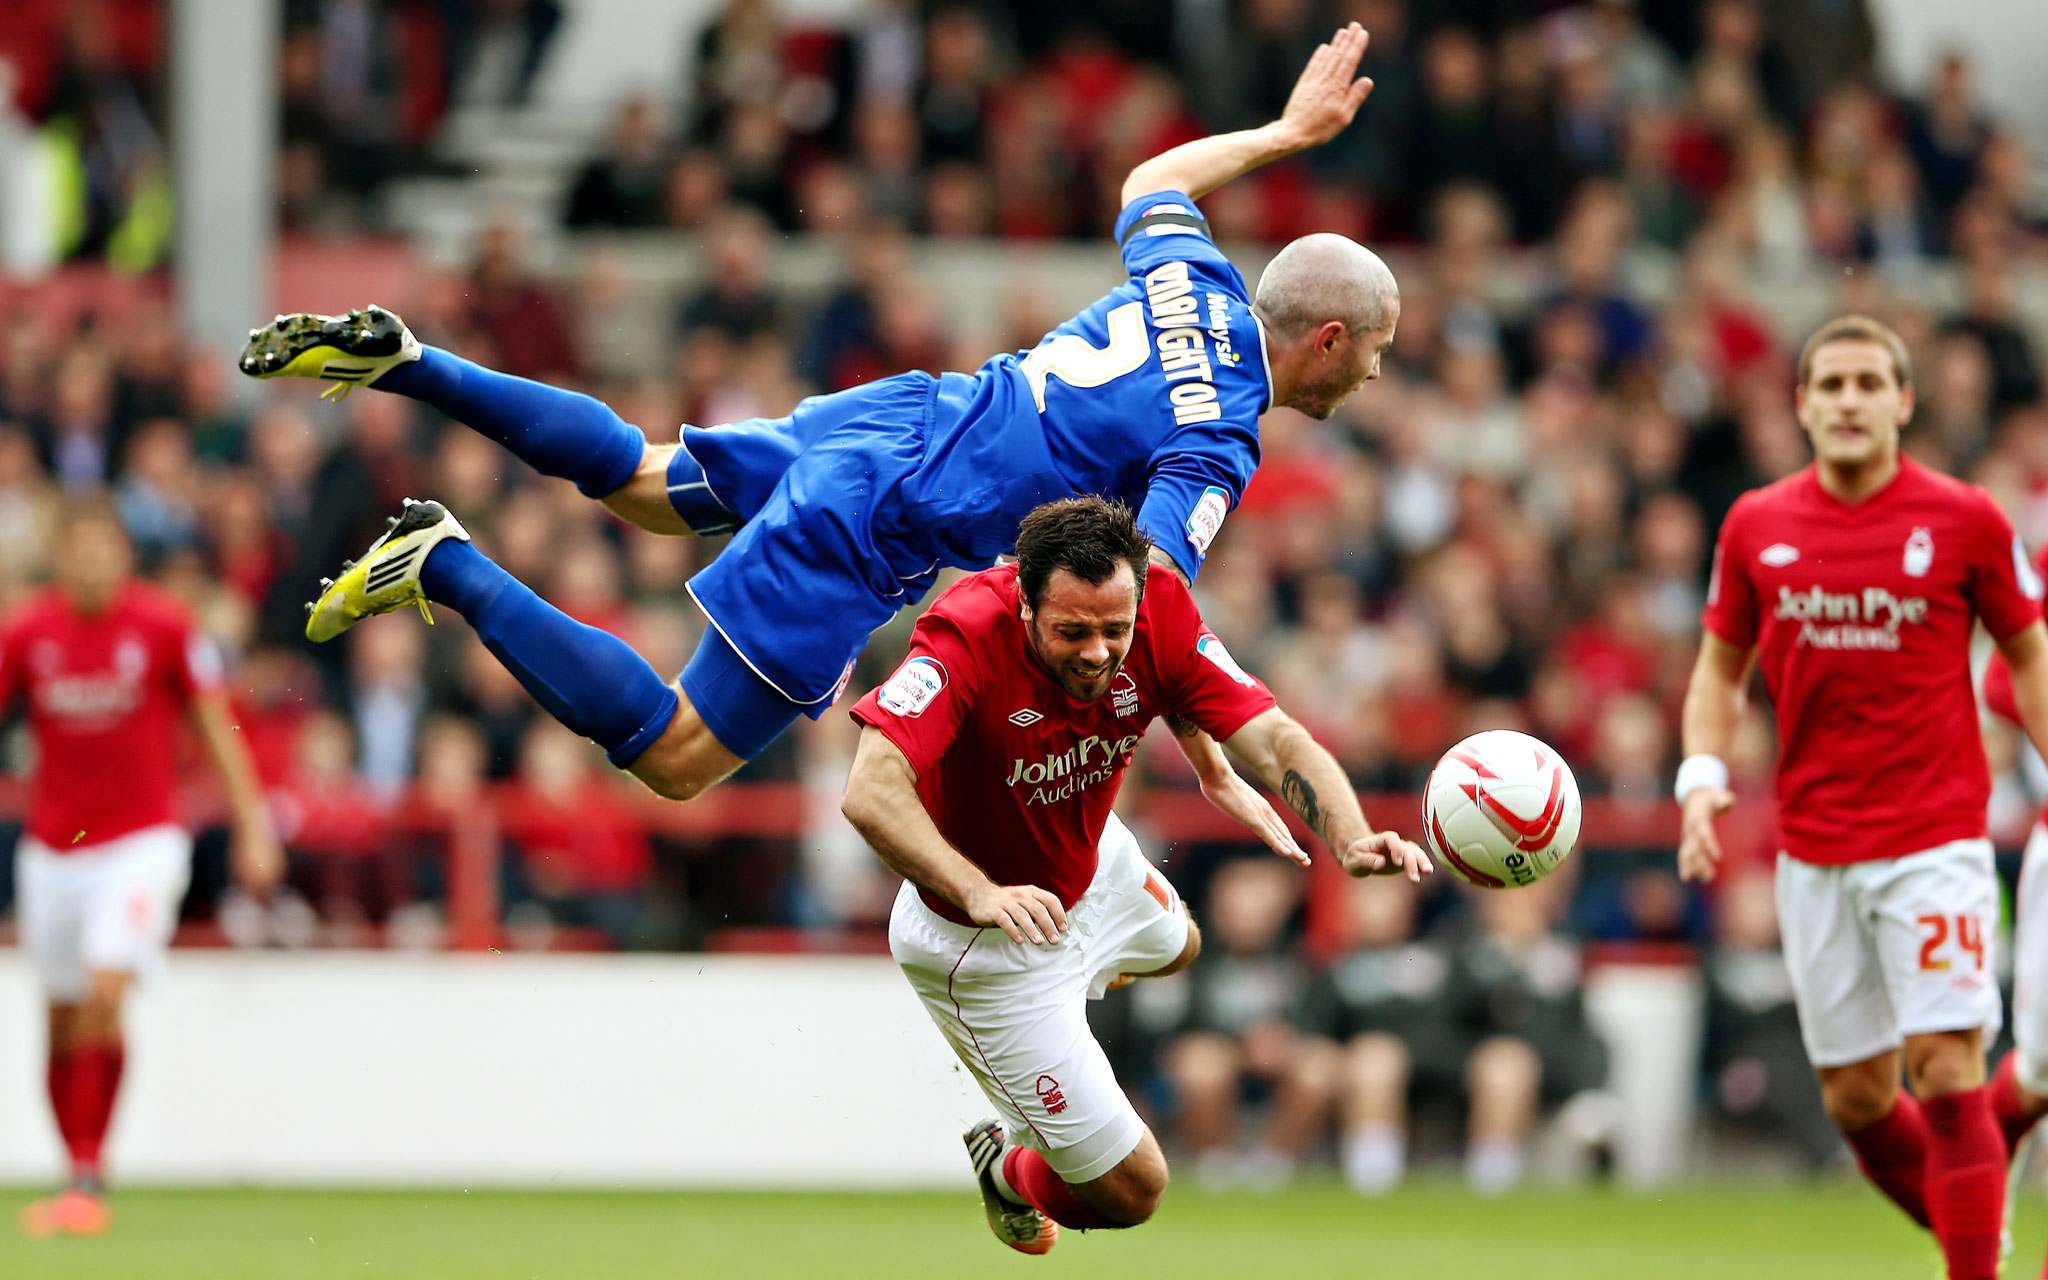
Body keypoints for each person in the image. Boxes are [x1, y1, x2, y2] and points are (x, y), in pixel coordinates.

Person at [239, 24, 1400, 807]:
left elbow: (1148, 183)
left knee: (648, 488)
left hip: (901, 417)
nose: (1376, 379)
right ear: (1328, 340)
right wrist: (1208, 738)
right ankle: (448, 564)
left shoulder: (1191, 280)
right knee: (681, 757)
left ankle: (412, 361)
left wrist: (1282, 139)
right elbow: (1150, 593)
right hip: (884, 519)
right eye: (1378, 353)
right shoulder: (1221, 437)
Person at [838, 496, 1430, 1254]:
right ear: (1023, 603)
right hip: (981, 942)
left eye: (1114, 631)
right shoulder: (963, 636)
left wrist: (1348, 836)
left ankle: (1066, 1018)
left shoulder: (1162, 607)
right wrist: (979, 889)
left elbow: (1276, 737)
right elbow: (869, 789)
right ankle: (1011, 1171)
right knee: (1133, 1192)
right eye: (1072, 632)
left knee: (1183, 944)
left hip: (1090, 866)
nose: (1096, 652)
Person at [1675, 315, 2048, 1280]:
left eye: (1867, 384)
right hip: (1814, 849)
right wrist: (1704, 777)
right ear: (1799, 404)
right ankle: (1977, 1227)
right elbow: (1720, 674)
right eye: (1829, 385)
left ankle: (1973, 1264)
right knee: (1857, 1101)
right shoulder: (1756, 524)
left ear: (1904, 402)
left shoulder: (1966, 518)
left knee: (1952, 1077)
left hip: (1937, 840)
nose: (1848, 401)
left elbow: (2028, 655)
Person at [0, 500, 282, 1237]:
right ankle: (74, 1172)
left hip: (140, 841)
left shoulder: (164, 626)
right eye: (79, 550)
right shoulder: (25, 631)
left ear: (125, 556)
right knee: (59, 1018)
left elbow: (213, 726)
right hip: (52, 847)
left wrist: (252, 823)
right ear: (60, 558)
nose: (91, 562)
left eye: (105, 549)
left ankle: (90, 1172)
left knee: (104, 987)